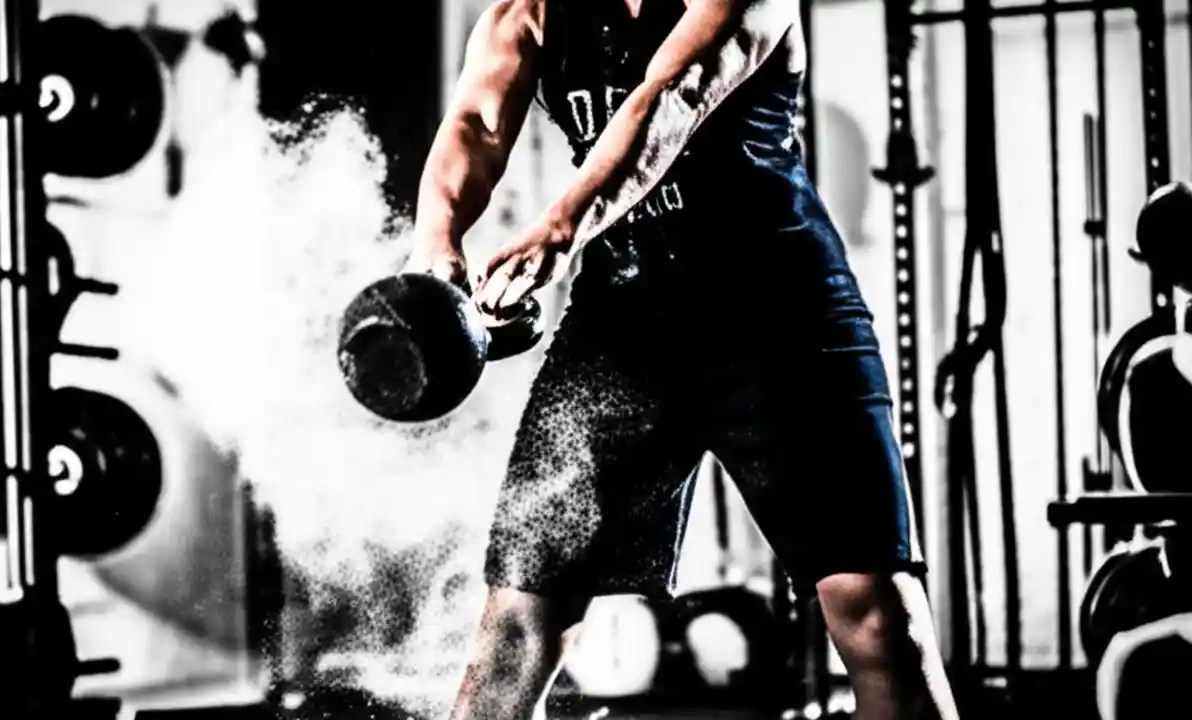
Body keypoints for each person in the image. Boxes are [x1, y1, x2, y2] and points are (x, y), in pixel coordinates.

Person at [404, 0, 960, 718]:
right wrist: (436, 248)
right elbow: (476, 127)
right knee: (516, 621)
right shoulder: (530, 12)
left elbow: (670, 97)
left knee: (878, 615)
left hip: (782, 313)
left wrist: (558, 230)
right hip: (624, 324)